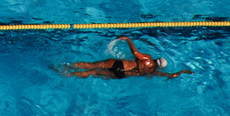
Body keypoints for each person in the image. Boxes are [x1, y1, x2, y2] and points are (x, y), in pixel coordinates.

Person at [64, 37, 193, 79]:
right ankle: (69, 75)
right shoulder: (153, 71)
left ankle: (67, 67)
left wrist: (127, 39)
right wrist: (183, 71)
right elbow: (170, 75)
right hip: (121, 75)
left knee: (91, 65)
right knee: (93, 72)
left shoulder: (148, 59)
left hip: (120, 64)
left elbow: (135, 53)